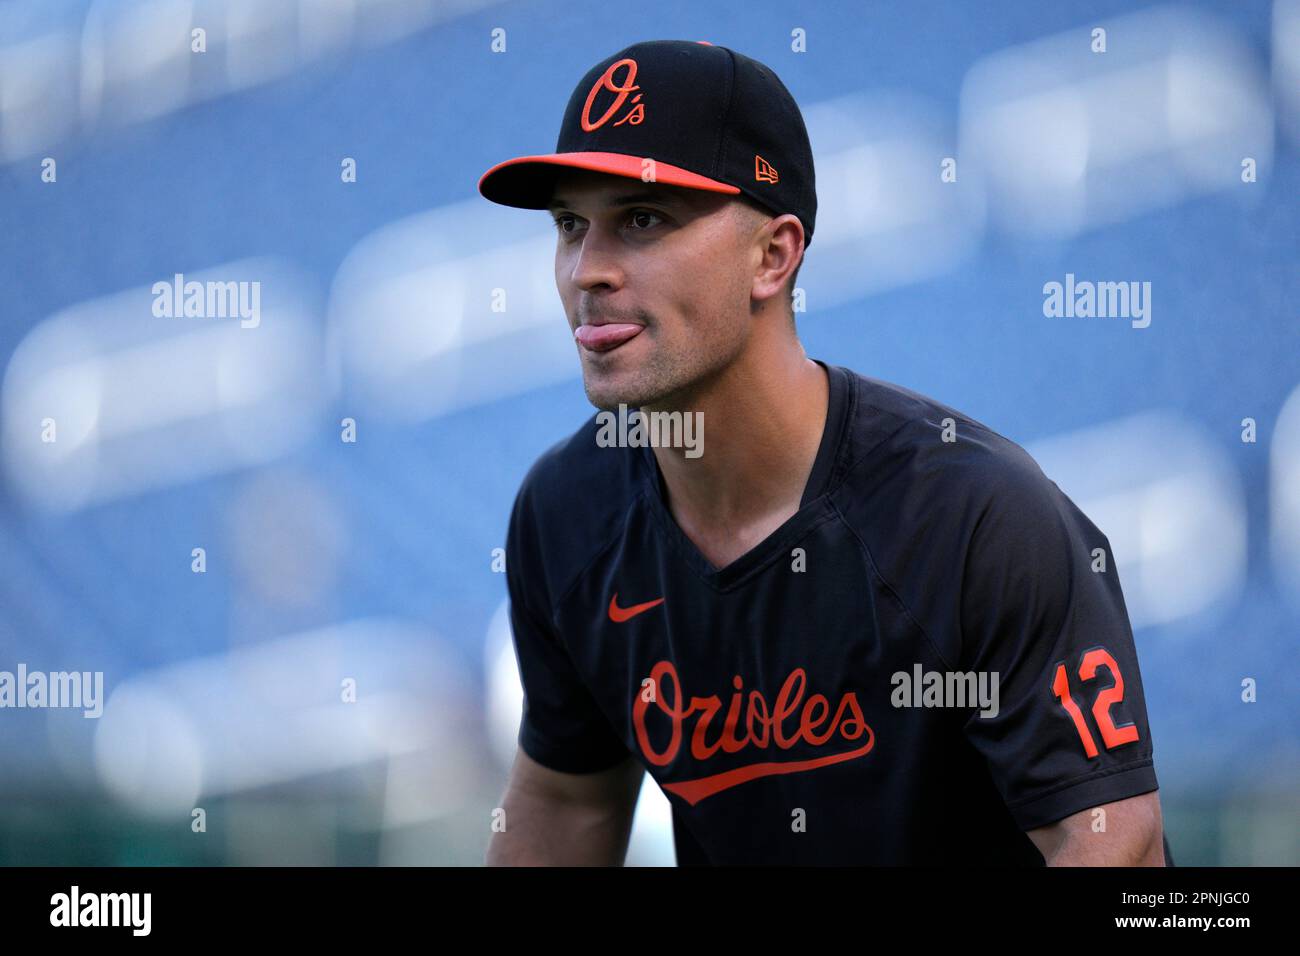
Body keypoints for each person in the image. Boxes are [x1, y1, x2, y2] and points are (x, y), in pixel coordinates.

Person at [478, 39, 1171, 865]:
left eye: (642, 220)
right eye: (569, 226)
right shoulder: (566, 514)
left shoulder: (974, 515)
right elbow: (564, 804)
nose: (587, 270)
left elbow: (1110, 842)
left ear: (773, 255)